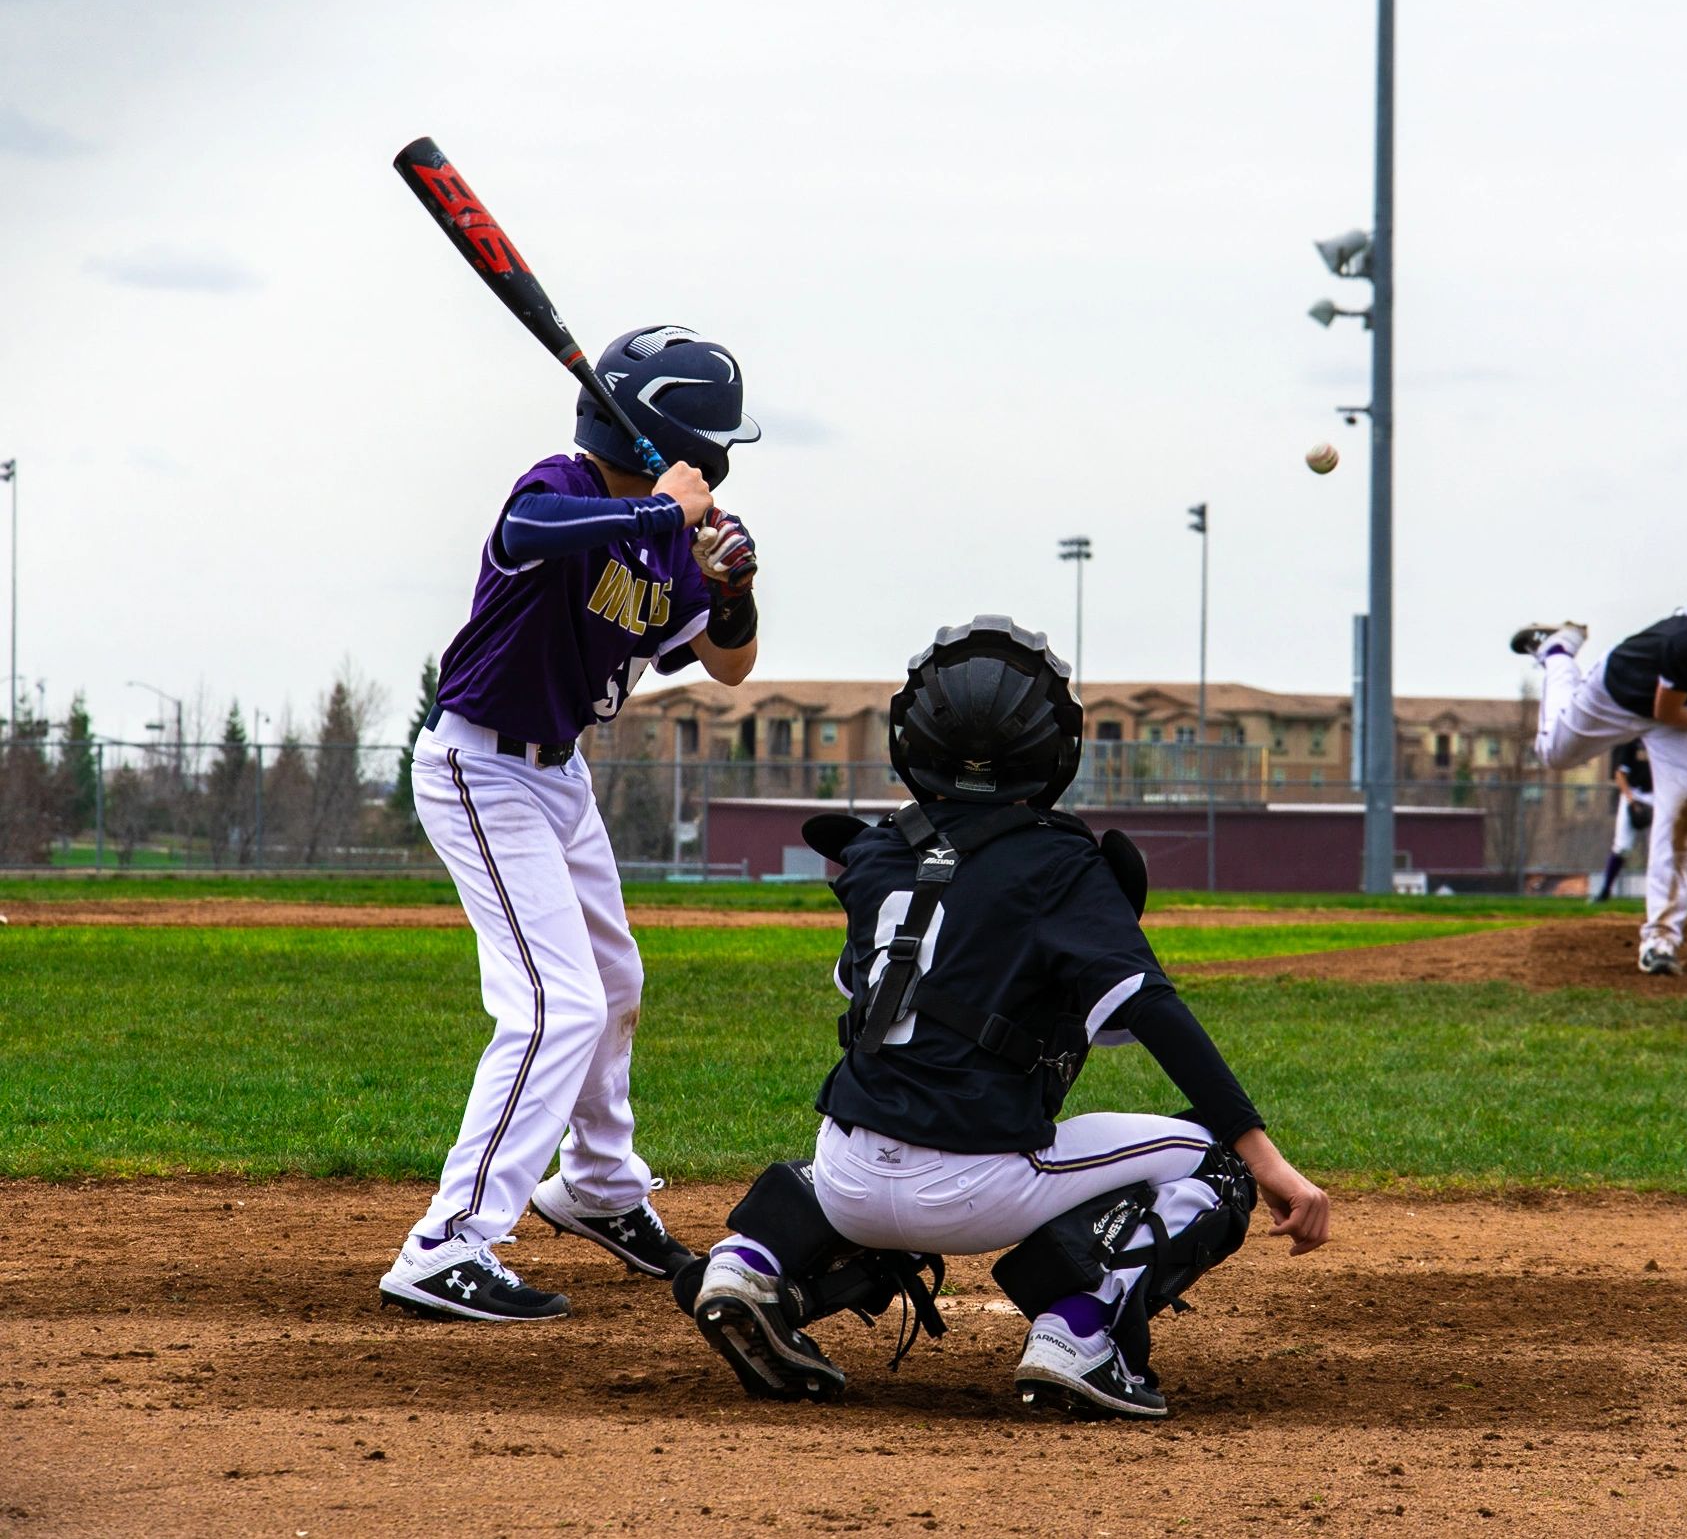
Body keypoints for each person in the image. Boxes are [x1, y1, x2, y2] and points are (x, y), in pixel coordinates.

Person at [673, 616, 1331, 1418]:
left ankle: (754, 1259)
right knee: (1210, 1161)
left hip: (845, 1171)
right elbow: (1147, 1012)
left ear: (911, 735)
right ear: (1055, 744)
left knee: (882, 1138)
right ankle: (1079, 1329)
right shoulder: (1062, 862)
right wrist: (1266, 1159)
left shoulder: (879, 850)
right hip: (973, 1182)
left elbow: (870, 988)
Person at [378, 325, 766, 1321]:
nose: (715, 463)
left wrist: (732, 586)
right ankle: (446, 1243)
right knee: (557, 1005)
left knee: (615, 978)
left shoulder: (666, 539)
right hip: (479, 764)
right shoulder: (561, 485)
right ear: (667, 437)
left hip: (560, 780)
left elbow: (729, 665)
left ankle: (597, 1186)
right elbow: (524, 536)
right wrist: (657, 507)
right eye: (708, 444)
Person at [1512, 561, 1687, 975]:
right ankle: (1557, 652)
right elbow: (1668, 711)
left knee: (1680, 818)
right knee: (1554, 754)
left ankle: (1661, 940)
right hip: (1617, 695)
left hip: (1676, 710)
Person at [1594, 738, 1653, 903]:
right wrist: (1632, 801)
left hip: (1657, 794)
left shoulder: (1657, 736)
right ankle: (1605, 890)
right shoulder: (1628, 739)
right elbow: (1619, 775)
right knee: (1622, 847)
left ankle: (1663, 894)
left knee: (1661, 846)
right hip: (1633, 794)